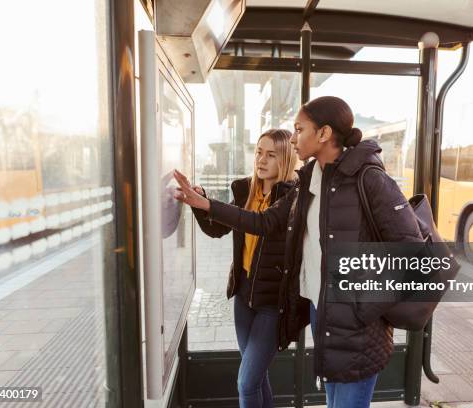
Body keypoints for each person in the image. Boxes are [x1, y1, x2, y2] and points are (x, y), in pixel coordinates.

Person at [174, 96, 423, 408]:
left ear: (324, 134)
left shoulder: (369, 178)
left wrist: (364, 305)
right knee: (332, 402)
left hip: (356, 322)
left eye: (299, 129)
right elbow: (264, 222)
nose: (292, 138)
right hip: (323, 313)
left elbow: (413, 256)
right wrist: (206, 205)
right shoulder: (310, 181)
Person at [190, 129, 298, 408]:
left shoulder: (292, 196)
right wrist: (200, 205)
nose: (261, 160)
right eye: (259, 152)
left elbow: (260, 223)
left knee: (246, 382)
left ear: (285, 158)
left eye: (271, 155)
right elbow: (217, 230)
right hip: (243, 293)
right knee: (256, 378)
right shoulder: (244, 189)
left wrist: (207, 204)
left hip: (273, 302)